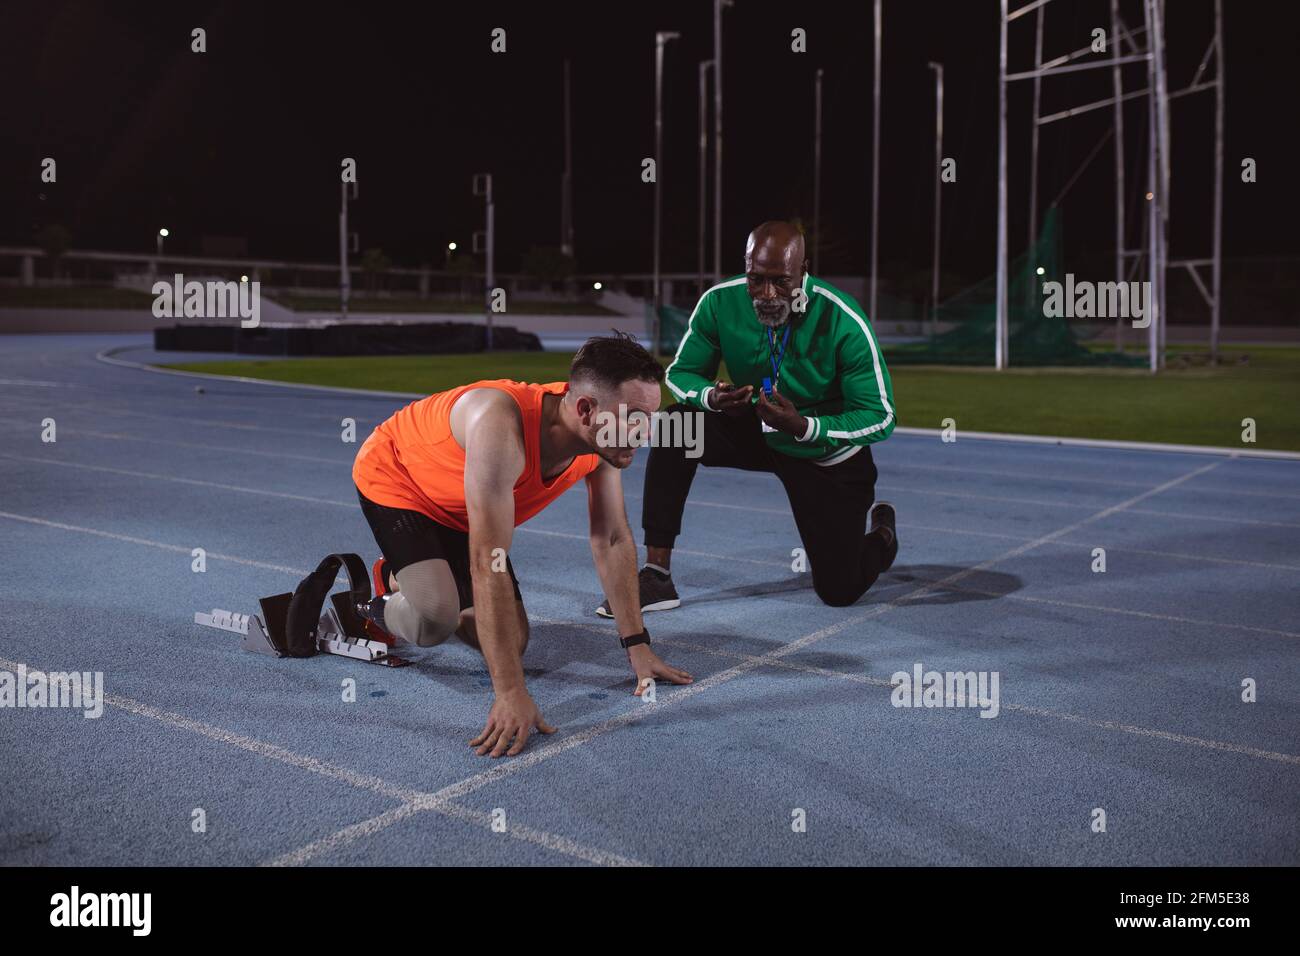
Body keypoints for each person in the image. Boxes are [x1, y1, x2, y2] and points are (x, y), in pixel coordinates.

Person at [353, 333, 692, 758]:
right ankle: (379, 597)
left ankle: (435, 585)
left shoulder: (601, 439)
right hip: (402, 480)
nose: (643, 434)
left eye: (649, 418)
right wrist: (510, 690)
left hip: (465, 505)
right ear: (586, 409)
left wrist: (638, 646)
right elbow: (486, 562)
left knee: (514, 643)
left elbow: (612, 538)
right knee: (433, 622)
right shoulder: (499, 424)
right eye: (634, 418)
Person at [598, 220, 898, 617]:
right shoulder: (720, 302)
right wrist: (711, 397)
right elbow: (679, 373)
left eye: (781, 281)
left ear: (803, 270)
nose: (768, 294)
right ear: (745, 267)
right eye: (756, 280)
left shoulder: (842, 318)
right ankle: (657, 575)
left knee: (839, 590)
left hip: (821, 451)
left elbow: (881, 416)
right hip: (755, 427)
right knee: (675, 428)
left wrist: (806, 427)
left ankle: (883, 536)